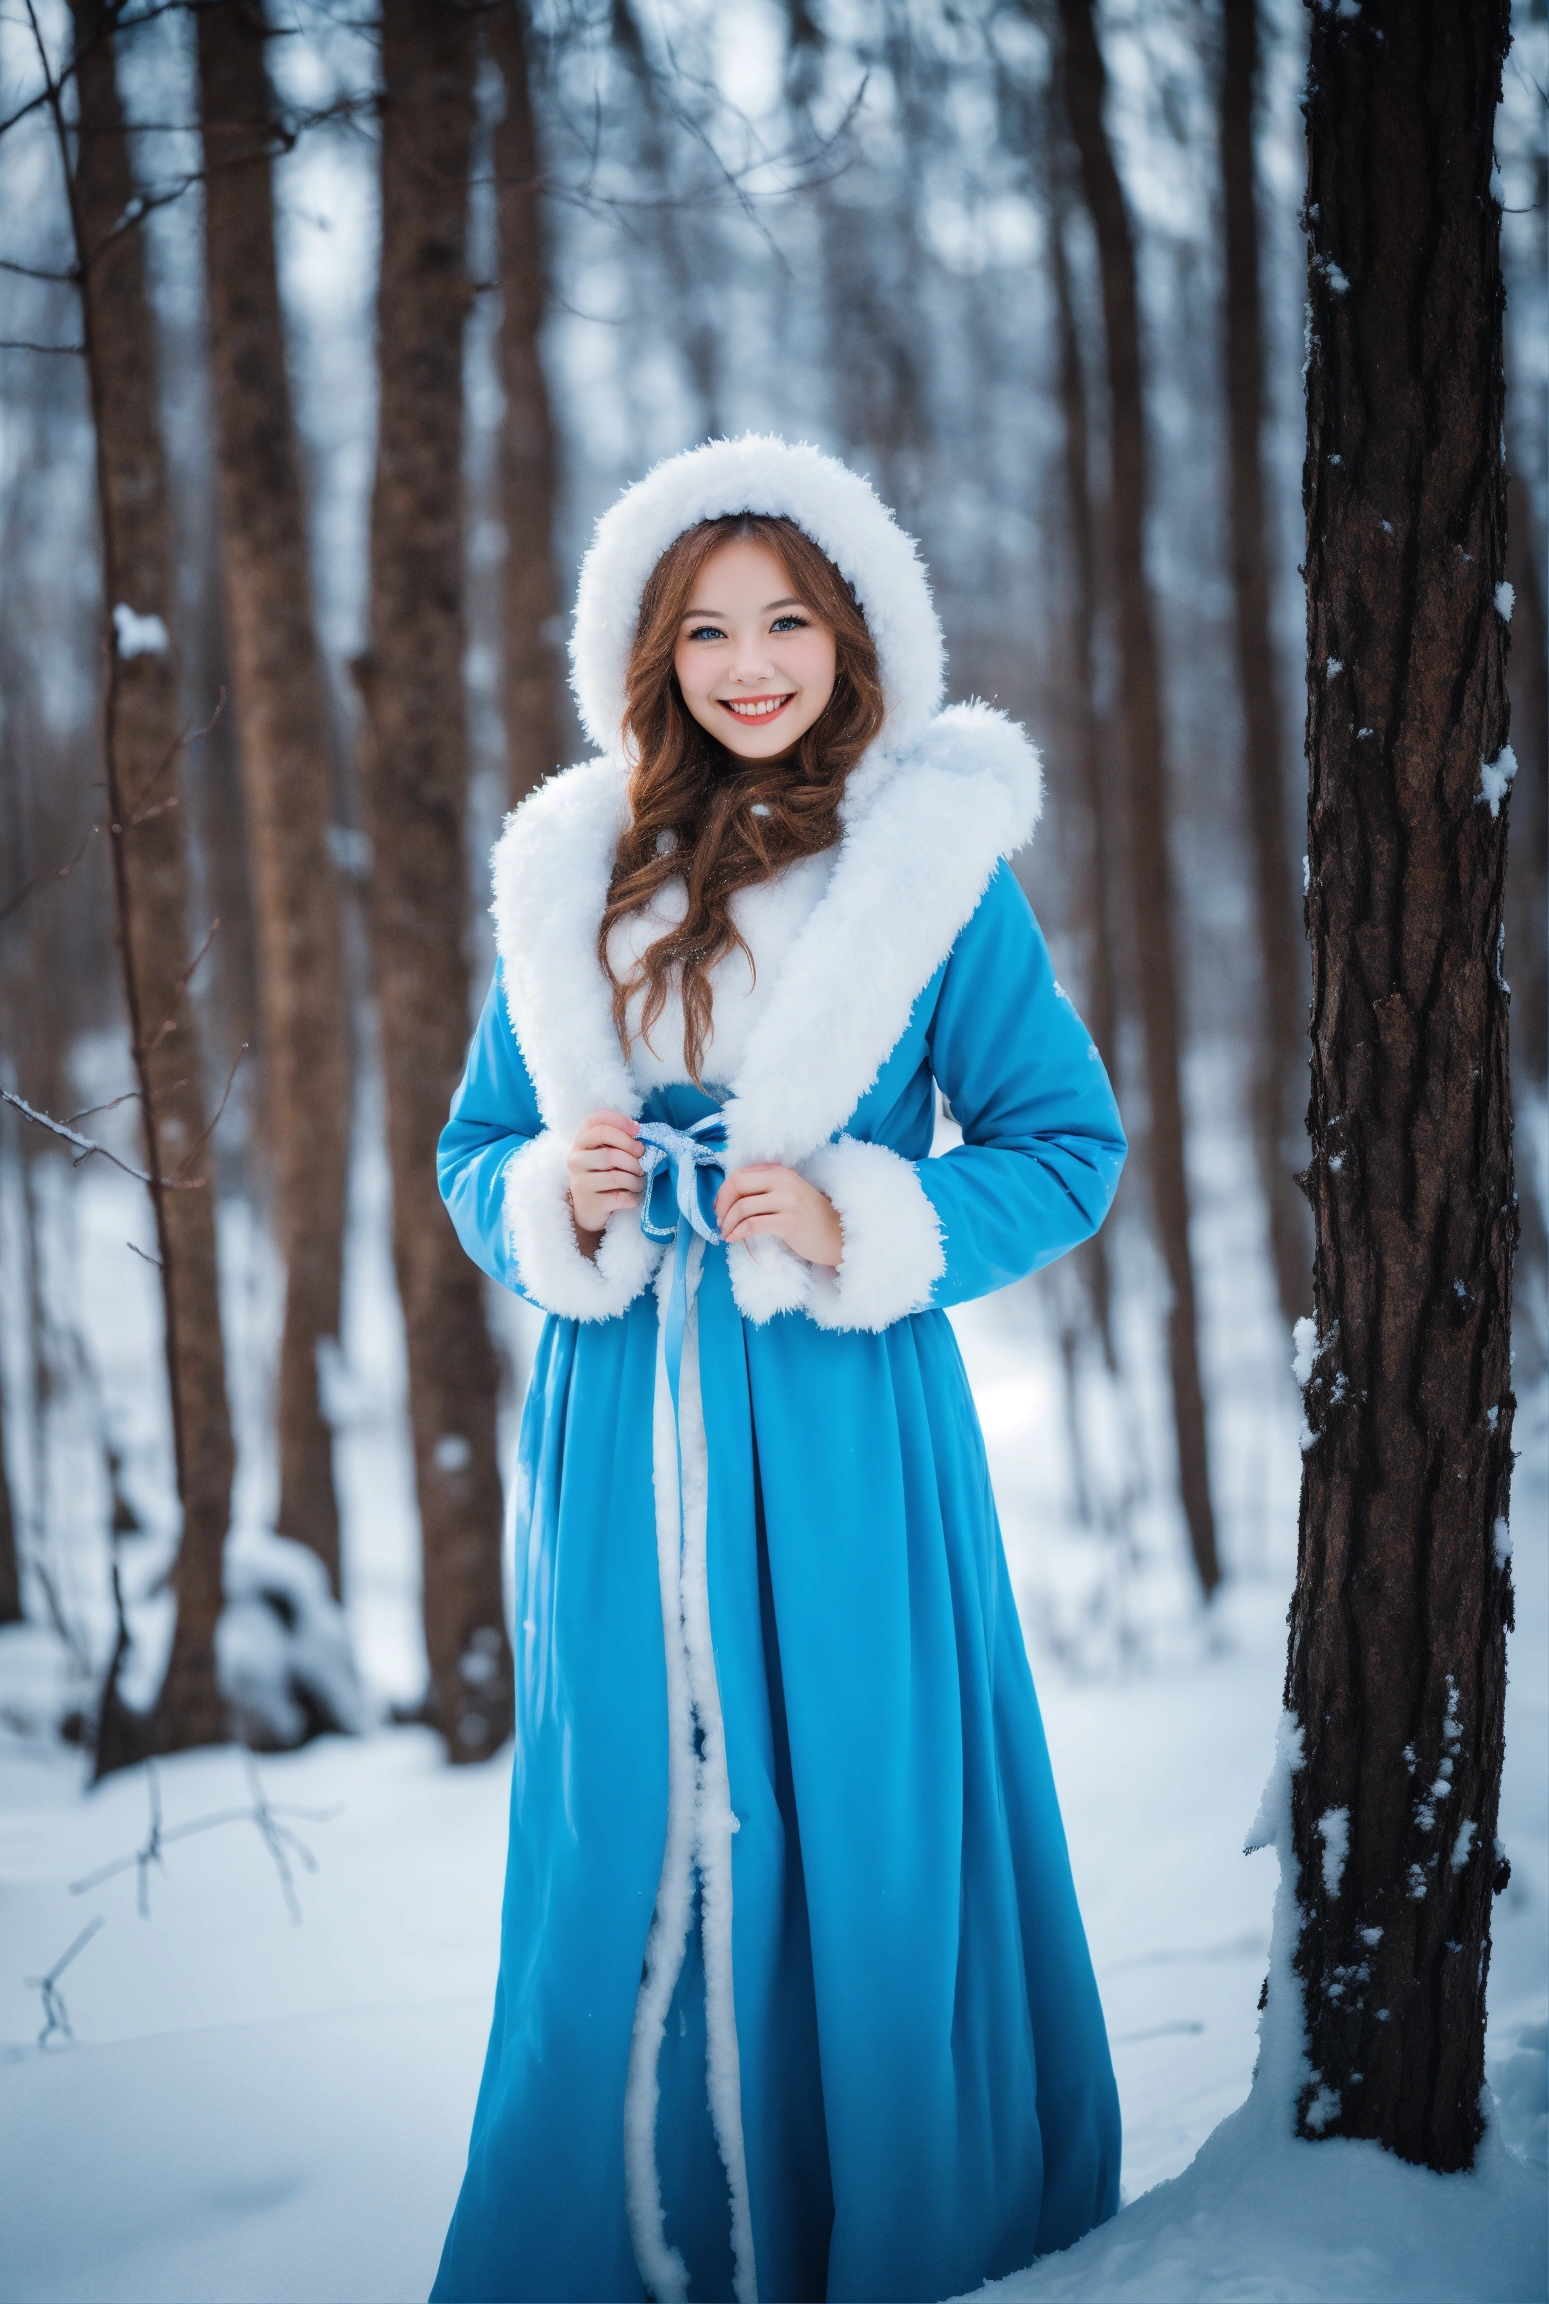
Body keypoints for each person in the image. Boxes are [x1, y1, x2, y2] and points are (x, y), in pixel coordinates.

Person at [430, 436, 1125, 2304]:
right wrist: (542, 1193)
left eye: (789, 622)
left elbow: (1069, 1145)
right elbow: (471, 1149)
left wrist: (853, 1218)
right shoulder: (580, 872)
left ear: (856, 634)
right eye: (709, 631)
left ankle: (897, 2228)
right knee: (620, 1847)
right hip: (614, 1452)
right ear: (648, 655)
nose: (751, 665)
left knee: (869, 1825)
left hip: (839, 1432)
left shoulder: (930, 876)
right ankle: (611, 2248)